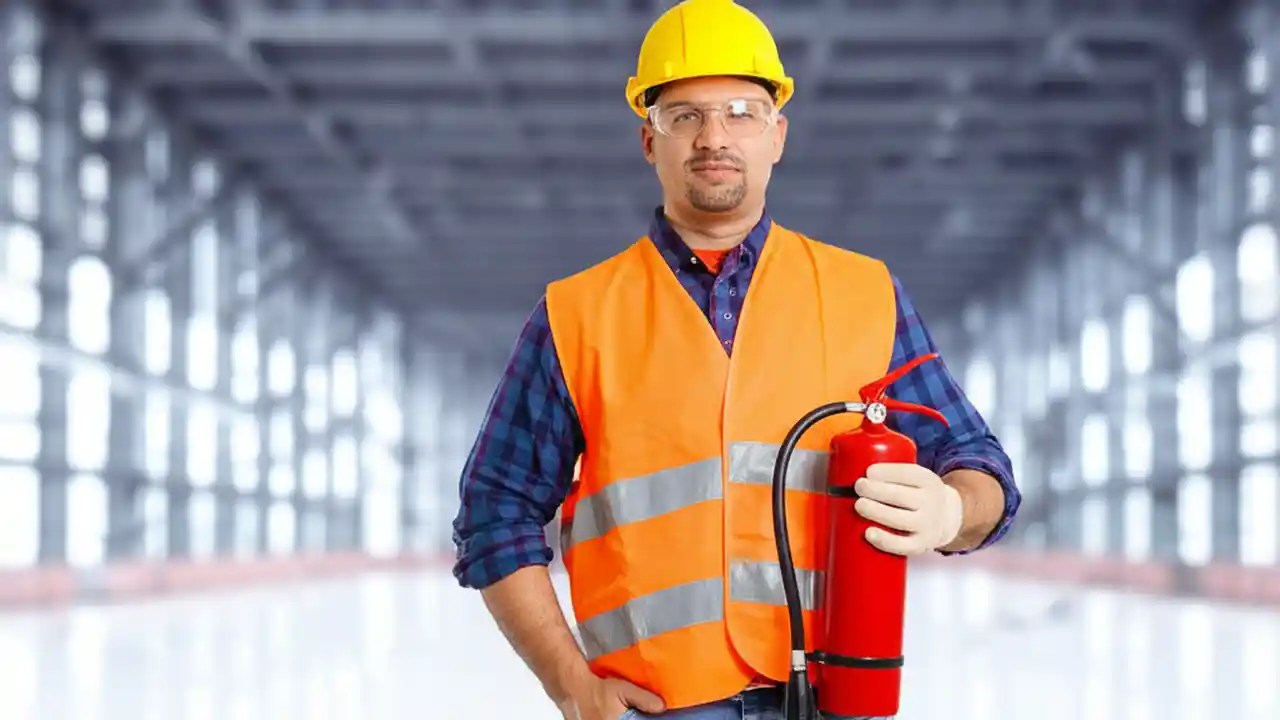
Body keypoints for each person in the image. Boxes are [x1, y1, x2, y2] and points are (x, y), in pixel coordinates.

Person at [451, 1, 1021, 718]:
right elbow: (493, 512)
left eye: (741, 112)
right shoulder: (576, 314)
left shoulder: (865, 294)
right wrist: (569, 682)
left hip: (836, 693)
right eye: (683, 115)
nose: (713, 137)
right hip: (659, 706)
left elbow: (980, 464)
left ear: (777, 135)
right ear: (648, 141)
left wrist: (952, 509)